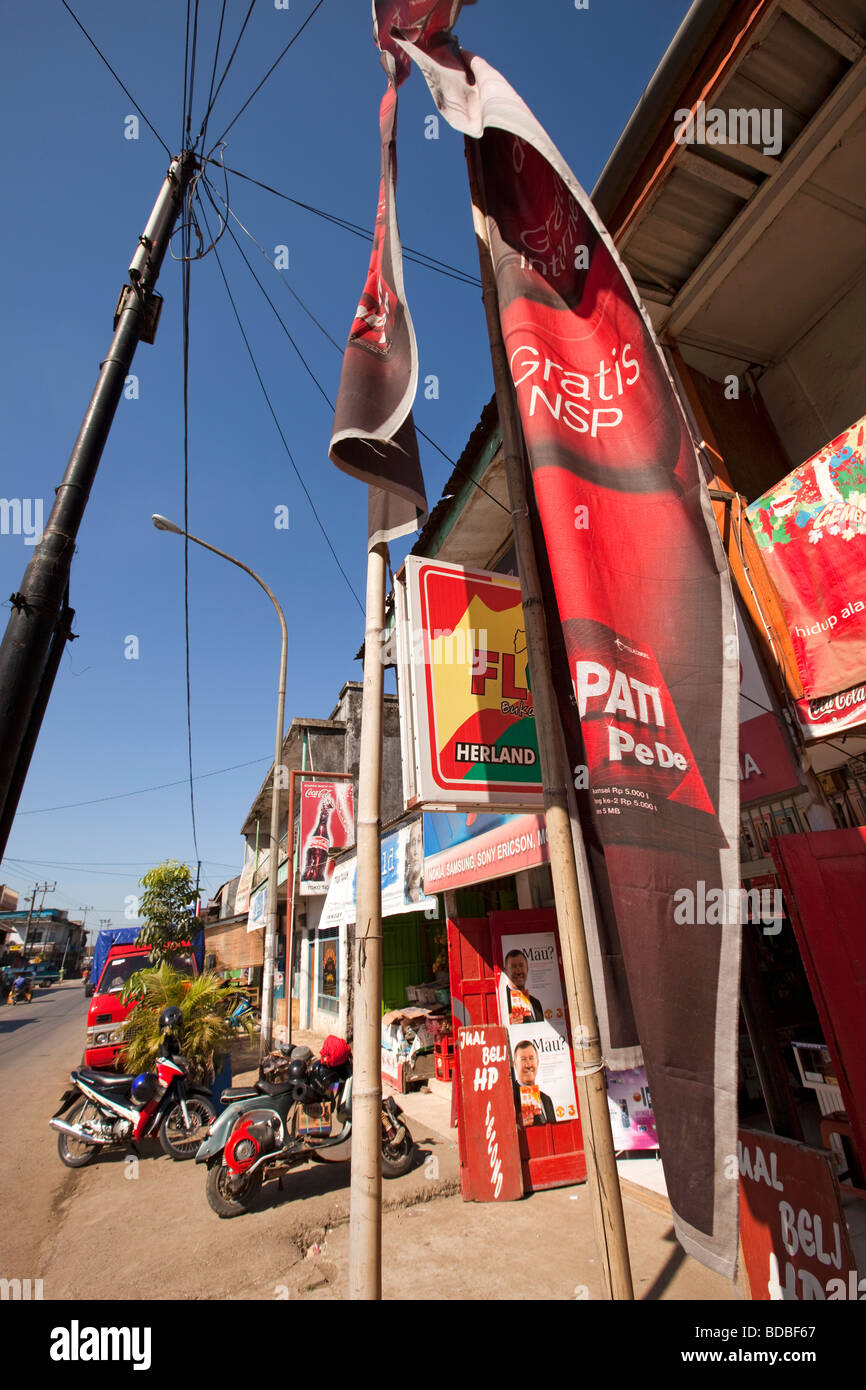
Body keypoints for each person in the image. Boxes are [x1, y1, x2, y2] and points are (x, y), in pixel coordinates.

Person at [512, 1040, 557, 1126]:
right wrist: (516, 1125)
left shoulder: (546, 1100)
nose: (528, 1065)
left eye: (531, 1058)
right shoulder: (511, 1098)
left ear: (538, 1062)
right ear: (515, 1064)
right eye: (523, 1059)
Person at [502, 948, 545, 1024]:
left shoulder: (536, 1003)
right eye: (513, 966)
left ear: (527, 968)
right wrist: (506, 1025)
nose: (518, 971)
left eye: (521, 965)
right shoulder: (502, 1002)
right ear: (506, 971)